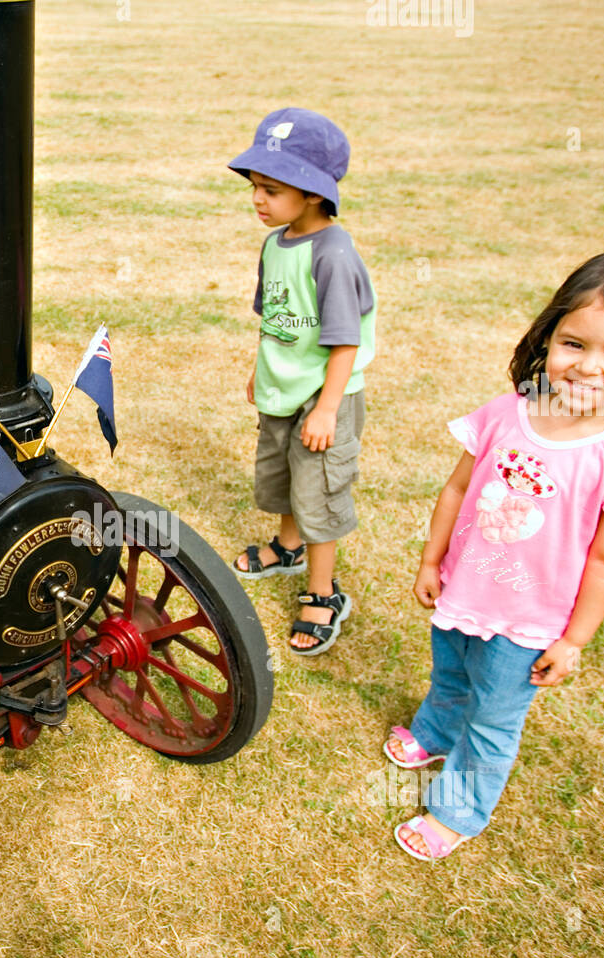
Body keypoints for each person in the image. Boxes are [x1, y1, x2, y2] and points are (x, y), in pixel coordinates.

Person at [388, 249, 604, 860]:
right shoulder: (505, 414)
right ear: (547, 337)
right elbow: (457, 489)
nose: (588, 367)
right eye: (574, 343)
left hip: (529, 626)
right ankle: (434, 732)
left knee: (495, 721)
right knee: (449, 676)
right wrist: (430, 560)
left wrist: (573, 640)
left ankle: (457, 812)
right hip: (462, 593)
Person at [227, 108, 377, 656]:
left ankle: (323, 591)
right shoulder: (276, 244)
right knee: (283, 475)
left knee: (318, 492)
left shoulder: (334, 254)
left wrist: (327, 409)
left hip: (323, 394)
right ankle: (287, 547)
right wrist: (259, 367)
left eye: (271, 189)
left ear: (314, 193)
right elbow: (275, 317)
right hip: (282, 387)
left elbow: (344, 341)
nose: (257, 200)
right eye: (255, 187)